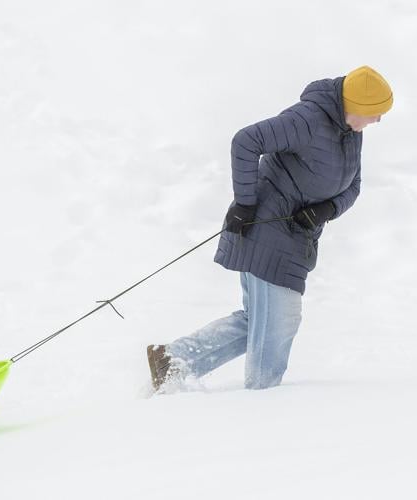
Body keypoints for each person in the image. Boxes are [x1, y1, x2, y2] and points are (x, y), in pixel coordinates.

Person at [147, 65, 393, 391]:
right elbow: (246, 141)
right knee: (279, 322)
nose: (377, 121)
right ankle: (263, 402)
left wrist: (327, 209)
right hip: (266, 227)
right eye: (374, 113)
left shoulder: (350, 134)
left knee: (259, 321)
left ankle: (174, 359)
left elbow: (354, 184)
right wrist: (246, 203)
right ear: (356, 105)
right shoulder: (308, 119)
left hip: (297, 237)